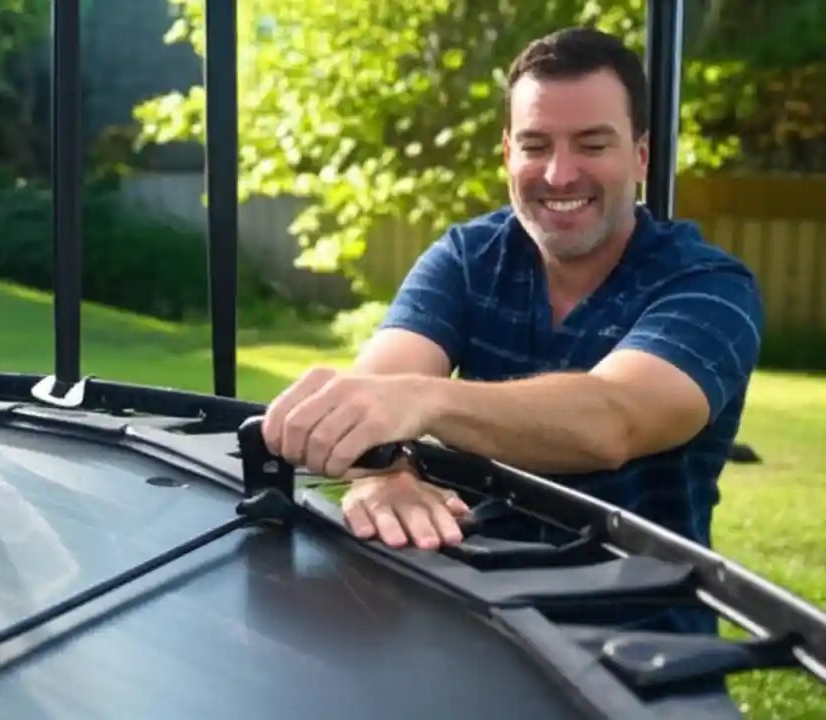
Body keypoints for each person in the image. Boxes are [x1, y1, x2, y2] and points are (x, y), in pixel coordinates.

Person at [260, 27, 763, 637]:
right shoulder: (471, 257)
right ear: (506, 156)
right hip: (473, 620)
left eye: (592, 144)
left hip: (642, 645)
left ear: (640, 155)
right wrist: (382, 472)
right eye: (534, 145)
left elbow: (613, 422)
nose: (558, 173)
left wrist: (422, 402)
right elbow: (379, 385)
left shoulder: (709, 286)